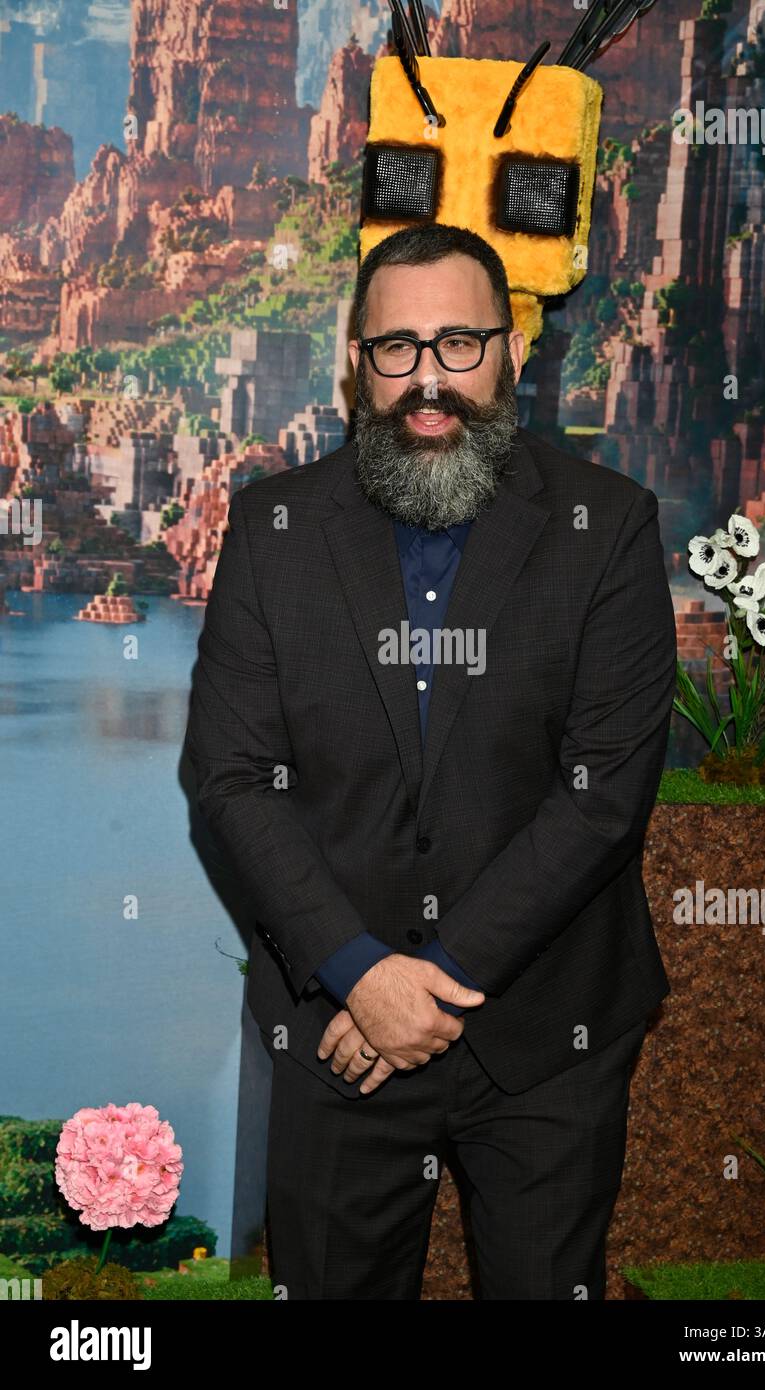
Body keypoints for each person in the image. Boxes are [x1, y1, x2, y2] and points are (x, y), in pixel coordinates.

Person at [185, 221, 677, 1300]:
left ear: (510, 353)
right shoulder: (271, 530)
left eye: (459, 344)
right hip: (338, 1037)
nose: (428, 381)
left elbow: (602, 798)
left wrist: (424, 990)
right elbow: (227, 776)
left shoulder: (610, 529)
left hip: (549, 1032)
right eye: (397, 348)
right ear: (356, 367)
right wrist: (359, 975)